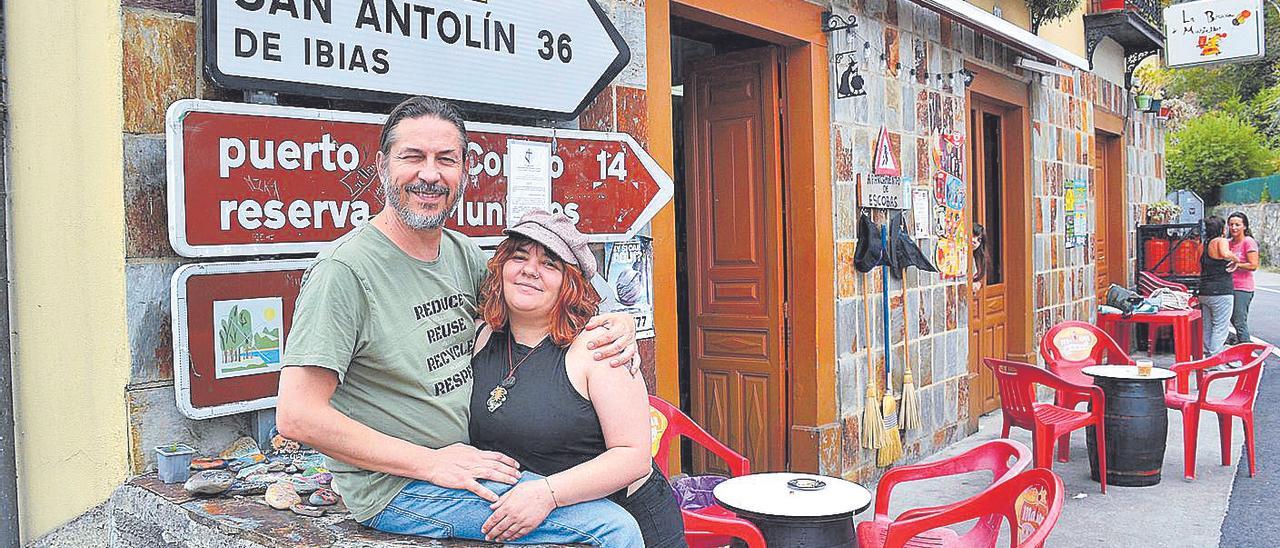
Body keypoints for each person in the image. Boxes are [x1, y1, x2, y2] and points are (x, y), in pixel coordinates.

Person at [276, 96, 645, 546]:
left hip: (470, 463)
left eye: (445, 160)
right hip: (402, 487)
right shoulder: (345, 272)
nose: (429, 174)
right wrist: (429, 463)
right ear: (381, 165)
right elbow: (297, 416)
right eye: (412, 156)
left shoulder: (460, 253)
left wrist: (617, 320)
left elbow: (542, 291)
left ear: (464, 173)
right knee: (609, 529)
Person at [468, 211, 686, 547]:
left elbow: (632, 456)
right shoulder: (483, 338)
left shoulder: (598, 347)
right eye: (520, 256)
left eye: (549, 264)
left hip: (628, 528)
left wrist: (547, 494)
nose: (530, 270)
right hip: (548, 529)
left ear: (569, 283)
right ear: (501, 269)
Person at [1199, 216, 1238, 356]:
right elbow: (1225, 253)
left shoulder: (1203, 244)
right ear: (1222, 229)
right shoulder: (1221, 241)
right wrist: (1236, 259)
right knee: (1220, 327)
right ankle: (1215, 360)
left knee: (1207, 327)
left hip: (1204, 291)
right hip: (1221, 291)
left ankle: (1208, 356)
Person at [1228, 212, 1260, 344]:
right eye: (1231, 225)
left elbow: (1253, 265)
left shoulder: (1248, 242)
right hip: (1228, 286)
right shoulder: (1227, 243)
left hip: (1242, 288)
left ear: (1244, 226)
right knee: (1230, 319)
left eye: (1237, 225)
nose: (1234, 228)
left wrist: (1238, 265)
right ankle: (1240, 345)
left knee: (1239, 320)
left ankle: (1247, 350)